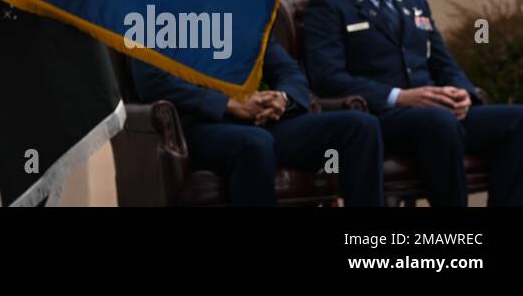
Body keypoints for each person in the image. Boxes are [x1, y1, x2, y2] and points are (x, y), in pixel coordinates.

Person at [304, 0, 523, 206]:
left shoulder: (412, 0)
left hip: (435, 112)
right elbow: (328, 76)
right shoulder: (330, 4)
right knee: (438, 121)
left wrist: (463, 93)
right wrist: (400, 96)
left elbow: (442, 61)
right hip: (382, 116)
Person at [131, 38, 384, 206]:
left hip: (261, 119)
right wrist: (229, 104)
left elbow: (289, 70)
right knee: (255, 143)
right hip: (199, 126)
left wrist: (282, 98)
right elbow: (153, 81)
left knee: (360, 126)